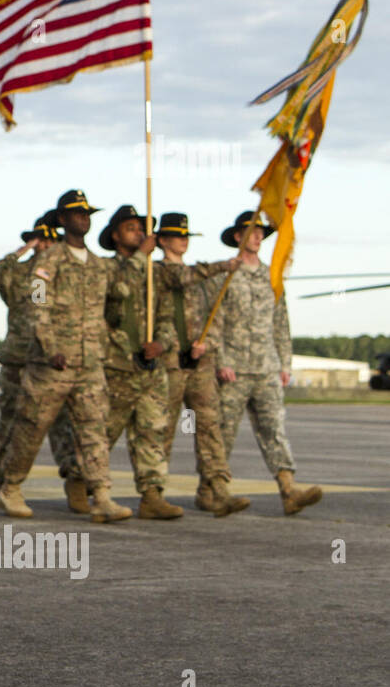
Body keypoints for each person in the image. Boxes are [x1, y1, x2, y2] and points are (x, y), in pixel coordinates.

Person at [0, 190, 131, 523]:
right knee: (32, 426)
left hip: (89, 364)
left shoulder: (100, 265)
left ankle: (101, 496)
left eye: (87, 213)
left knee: (93, 430)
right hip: (52, 363)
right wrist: (49, 346)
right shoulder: (49, 260)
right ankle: (10, 486)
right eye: (76, 213)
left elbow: (114, 304)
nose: (83, 218)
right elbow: (38, 305)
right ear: (62, 219)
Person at [0, 214, 86, 512]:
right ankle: (5, 482)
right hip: (19, 359)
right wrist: (17, 254)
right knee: (13, 421)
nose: (45, 245)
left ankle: (76, 481)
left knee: (65, 424)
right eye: (40, 240)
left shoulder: (66, 273)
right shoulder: (17, 273)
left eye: (51, 240)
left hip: (55, 360)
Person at [215, 211, 322, 514]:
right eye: (252, 231)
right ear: (238, 237)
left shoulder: (272, 276)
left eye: (261, 232)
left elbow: (281, 323)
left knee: (274, 429)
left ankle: (289, 491)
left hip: (266, 368)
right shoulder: (225, 275)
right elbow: (213, 323)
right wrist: (220, 360)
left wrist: (284, 363)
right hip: (233, 368)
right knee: (222, 434)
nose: (258, 237)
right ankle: (214, 491)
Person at [154, 213, 247, 516]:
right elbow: (181, 277)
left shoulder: (202, 279)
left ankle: (217, 489)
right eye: (177, 235)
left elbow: (215, 316)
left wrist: (209, 344)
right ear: (162, 240)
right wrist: (223, 265)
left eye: (186, 235)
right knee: (162, 429)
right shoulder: (156, 272)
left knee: (208, 426)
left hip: (200, 365)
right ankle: (153, 492)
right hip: (168, 363)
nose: (183, 240)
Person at [96, 205, 183, 518]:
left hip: (149, 368)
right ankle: (86, 485)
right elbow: (117, 292)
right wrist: (139, 258)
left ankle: (152, 494)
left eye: (142, 228)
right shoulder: (105, 267)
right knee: (104, 432)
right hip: (116, 365)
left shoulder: (155, 273)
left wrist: (162, 342)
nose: (140, 233)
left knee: (152, 431)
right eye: (131, 227)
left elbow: (168, 315)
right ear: (116, 234)